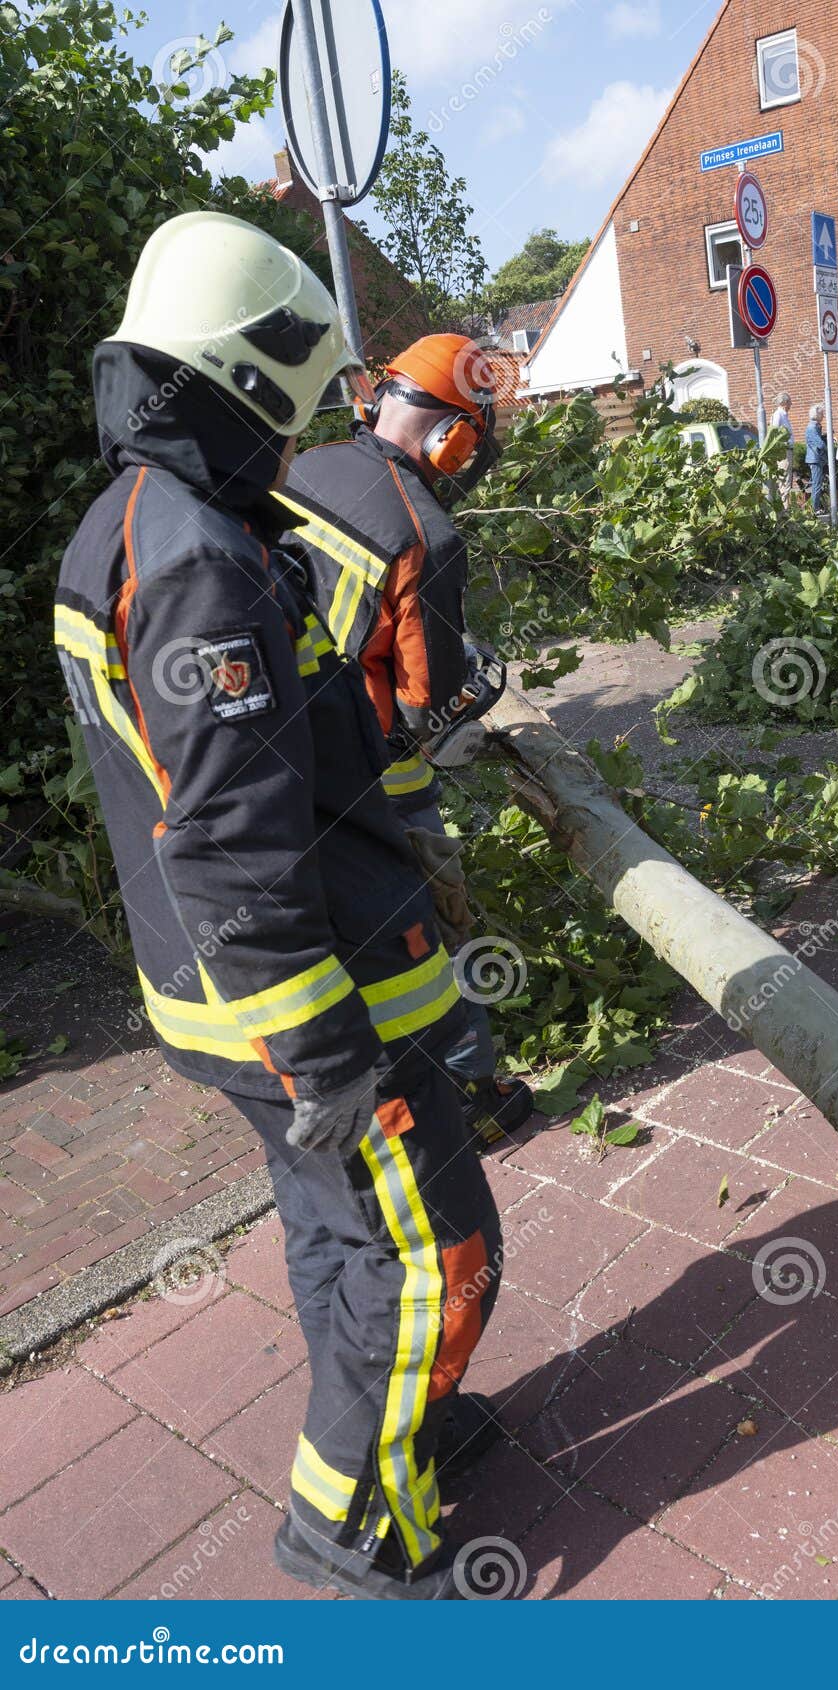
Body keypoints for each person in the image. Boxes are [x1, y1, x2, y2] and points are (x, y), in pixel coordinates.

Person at [55, 211, 502, 1599]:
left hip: (236, 989)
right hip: (302, 1006)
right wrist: (326, 1060)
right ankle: (350, 1536)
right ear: (249, 376)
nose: (309, 429)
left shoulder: (144, 520)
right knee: (438, 1257)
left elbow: (269, 768)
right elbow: (237, 847)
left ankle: (386, 1448)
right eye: (295, 398)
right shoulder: (200, 557)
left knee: (338, 1237)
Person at [278, 332, 534, 1147]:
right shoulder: (426, 534)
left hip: (281, 757)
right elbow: (425, 700)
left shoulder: (306, 467)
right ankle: (472, 1093)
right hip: (375, 776)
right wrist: (473, 680)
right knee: (432, 927)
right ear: (454, 436)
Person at [770, 390, 795, 493]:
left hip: (787, 450)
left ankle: (786, 507)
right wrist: (784, 444)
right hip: (783, 451)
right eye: (789, 402)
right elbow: (774, 432)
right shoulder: (778, 415)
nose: (791, 404)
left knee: (787, 478)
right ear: (784, 403)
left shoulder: (783, 415)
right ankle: (785, 508)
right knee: (784, 479)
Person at [805, 403, 827, 511]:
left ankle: (815, 508)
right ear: (817, 414)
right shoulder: (812, 427)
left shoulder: (815, 426)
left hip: (816, 458)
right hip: (815, 459)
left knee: (817, 484)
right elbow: (819, 444)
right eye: (822, 413)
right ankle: (815, 509)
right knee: (816, 485)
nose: (823, 415)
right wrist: (827, 446)